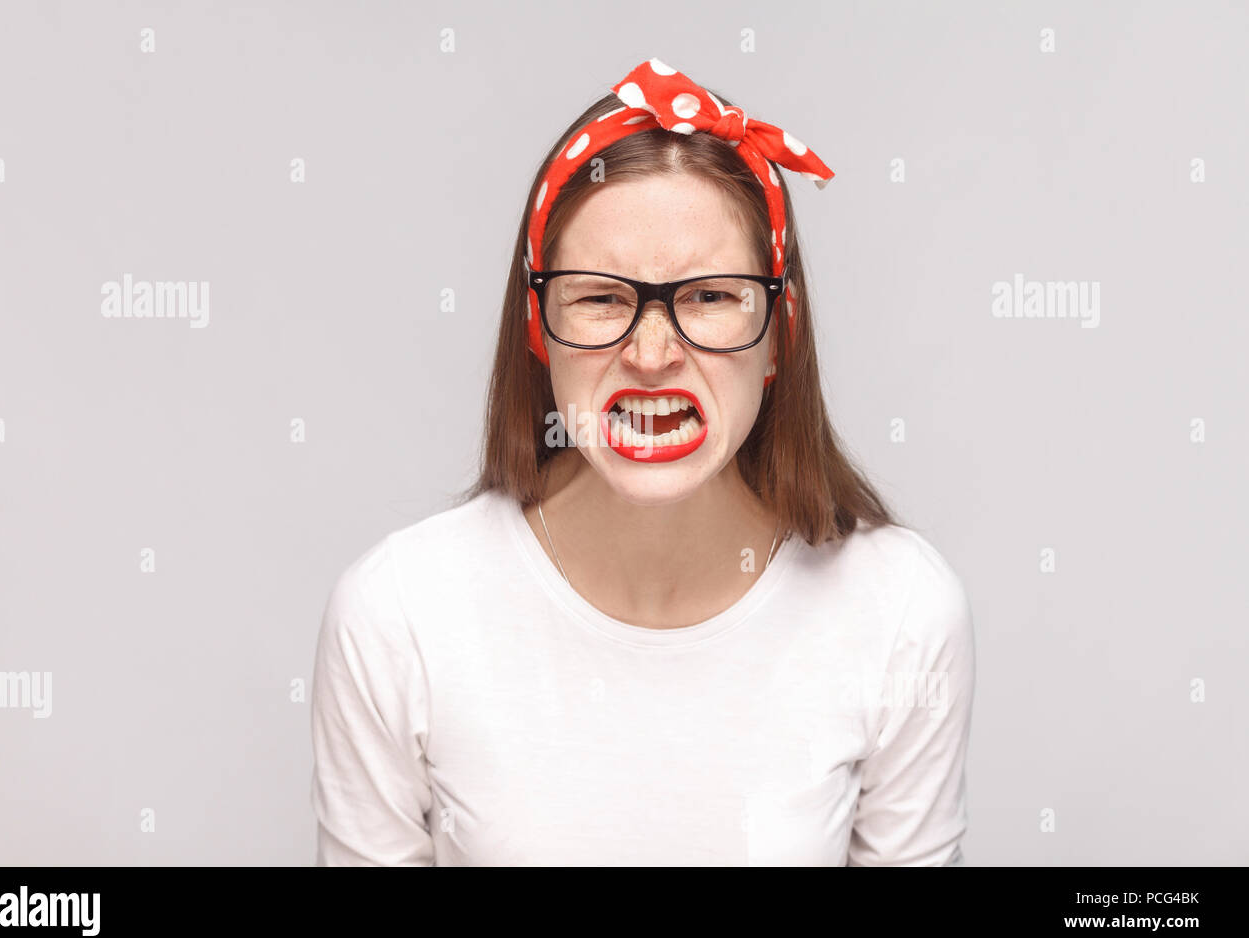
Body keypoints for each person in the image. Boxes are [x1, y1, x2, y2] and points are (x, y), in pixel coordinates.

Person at [310, 58, 976, 866]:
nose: (652, 353)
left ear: (779, 331)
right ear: (536, 325)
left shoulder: (900, 611)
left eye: (709, 296)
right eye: (600, 297)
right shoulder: (396, 616)